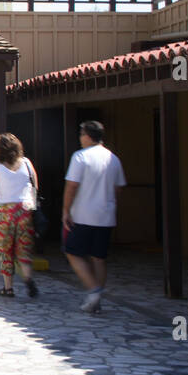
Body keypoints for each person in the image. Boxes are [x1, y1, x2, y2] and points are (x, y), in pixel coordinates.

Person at [63, 120, 126, 314]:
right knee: (99, 257)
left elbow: (72, 186)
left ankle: (93, 290)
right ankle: (96, 298)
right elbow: (118, 188)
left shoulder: (80, 157)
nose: (80, 138)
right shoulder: (113, 158)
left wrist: (66, 209)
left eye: (81, 134)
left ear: (88, 136)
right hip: (106, 215)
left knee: (72, 251)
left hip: (83, 214)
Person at [0, 132, 40, 299]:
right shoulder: (27, 163)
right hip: (24, 210)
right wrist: (31, 205)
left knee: (5, 250)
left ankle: (8, 287)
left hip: (4, 211)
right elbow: (35, 185)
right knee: (23, 247)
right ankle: (28, 279)